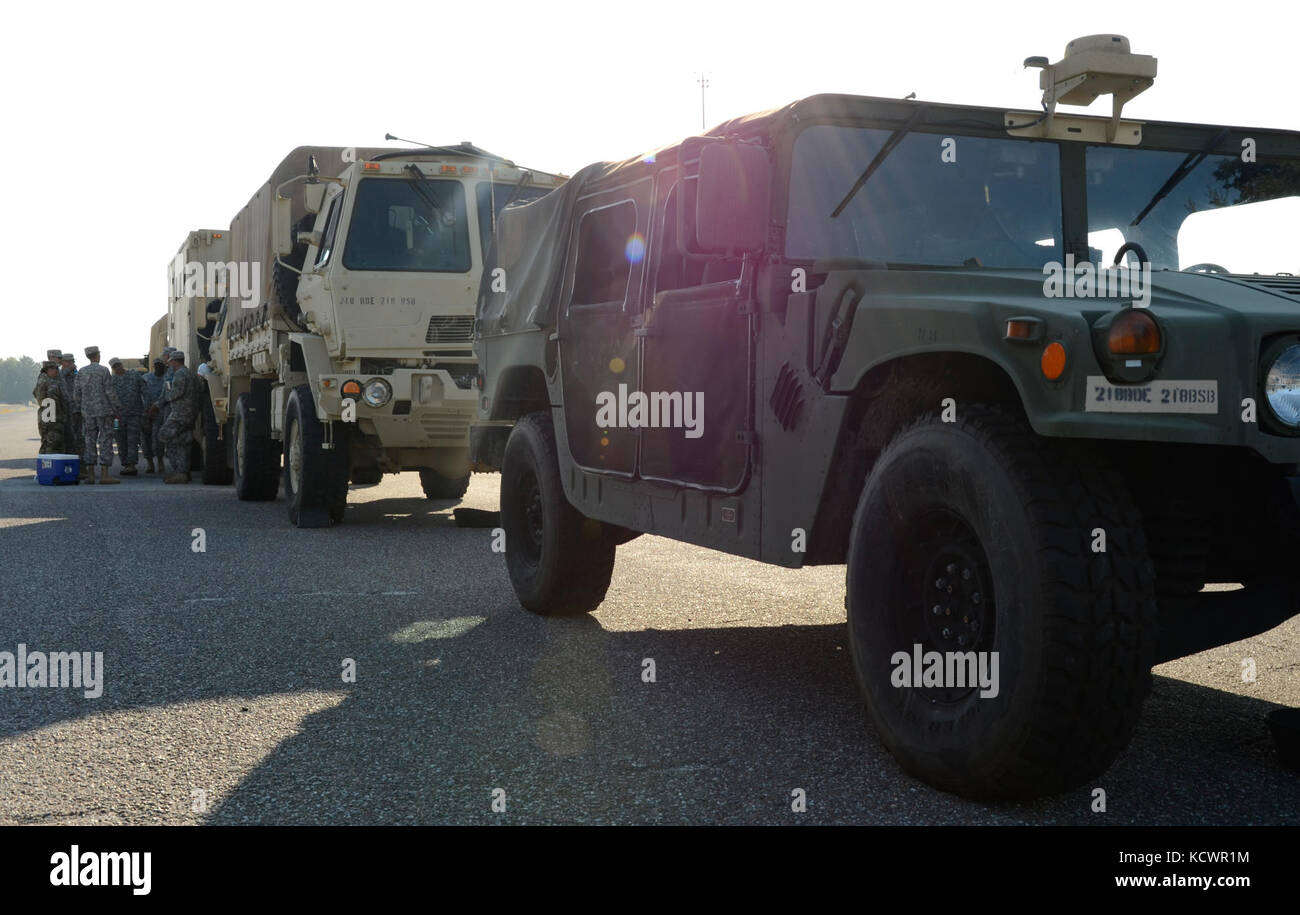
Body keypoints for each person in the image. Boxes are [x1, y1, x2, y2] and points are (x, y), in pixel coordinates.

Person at [75, 345, 122, 485]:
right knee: (105, 440)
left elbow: (76, 393)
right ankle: (104, 475)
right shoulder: (103, 370)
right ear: (97, 356)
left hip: (87, 412)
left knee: (89, 440)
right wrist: (117, 407)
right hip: (104, 411)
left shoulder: (81, 372)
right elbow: (109, 391)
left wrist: (79, 408)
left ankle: (90, 475)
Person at [156, 350, 195, 484]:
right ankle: (184, 472)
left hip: (180, 413)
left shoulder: (179, 374)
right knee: (182, 442)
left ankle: (179, 471)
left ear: (174, 361)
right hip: (189, 413)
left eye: (171, 361)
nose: (169, 364)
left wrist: (167, 389)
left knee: (164, 435)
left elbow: (174, 395)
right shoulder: (189, 373)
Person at [109, 357, 146, 475]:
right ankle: (125, 463)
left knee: (132, 440)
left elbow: (145, 390)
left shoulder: (134, 376)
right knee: (120, 440)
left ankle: (132, 465)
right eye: (114, 367)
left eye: (118, 365)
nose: (117, 368)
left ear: (121, 364)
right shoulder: (112, 381)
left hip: (134, 414)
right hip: (117, 417)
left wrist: (146, 409)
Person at [60, 353, 86, 479]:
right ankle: (67, 468)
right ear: (62, 362)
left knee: (79, 440)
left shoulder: (77, 374)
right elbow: (59, 378)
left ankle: (82, 468)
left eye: (72, 361)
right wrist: (68, 370)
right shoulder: (59, 374)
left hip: (78, 412)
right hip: (65, 412)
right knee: (67, 440)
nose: (70, 364)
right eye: (67, 362)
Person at [32, 361, 67, 454]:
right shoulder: (44, 381)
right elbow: (41, 400)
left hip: (55, 418)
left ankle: (49, 466)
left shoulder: (52, 381)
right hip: (49, 419)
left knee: (54, 445)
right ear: (48, 370)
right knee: (50, 445)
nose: (57, 371)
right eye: (55, 369)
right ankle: (48, 466)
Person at [139, 358, 165, 473]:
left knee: (159, 439)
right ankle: (150, 464)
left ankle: (160, 461)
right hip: (145, 412)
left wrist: (156, 407)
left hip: (160, 412)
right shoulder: (146, 378)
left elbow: (166, 396)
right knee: (145, 439)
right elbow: (140, 394)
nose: (159, 368)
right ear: (154, 366)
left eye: (161, 365)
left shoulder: (166, 379)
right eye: (157, 365)